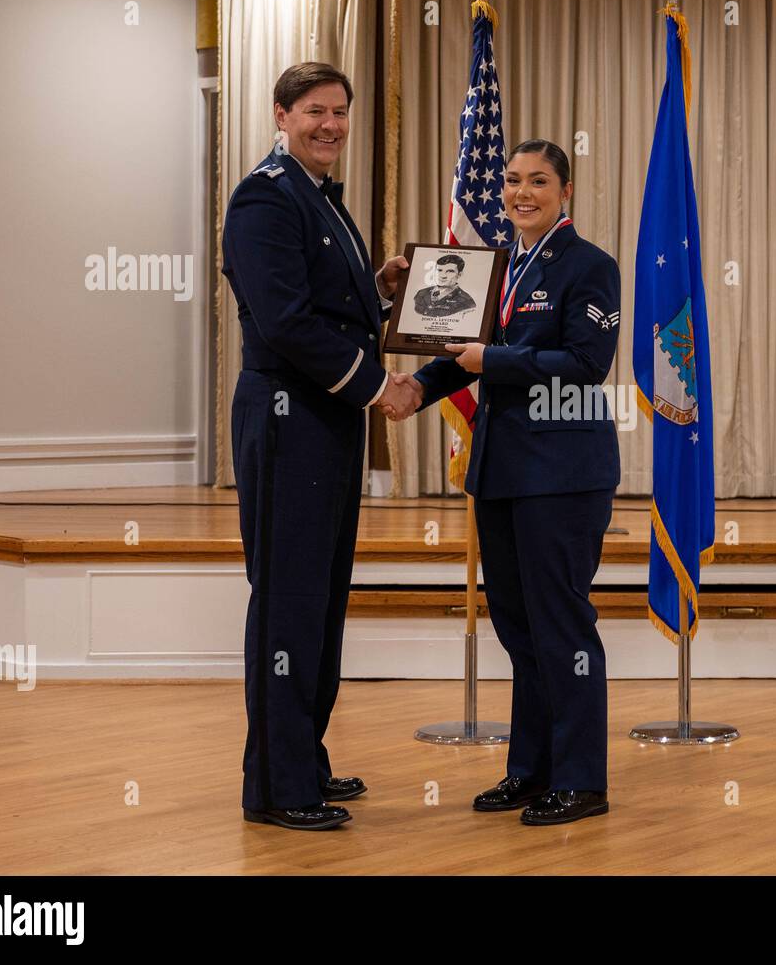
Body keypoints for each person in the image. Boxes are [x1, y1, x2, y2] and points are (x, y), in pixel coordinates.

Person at [388, 139, 621, 825]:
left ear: (565, 190)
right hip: (502, 471)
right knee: (520, 630)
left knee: (562, 627)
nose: (523, 192)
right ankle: (530, 769)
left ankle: (581, 780)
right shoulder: (496, 270)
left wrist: (492, 355)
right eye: (514, 180)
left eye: (539, 181)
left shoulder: (589, 266)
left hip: (563, 475)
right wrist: (412, 391)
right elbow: (462, 358)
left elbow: (586, 362)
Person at [222, 61, 419, 830]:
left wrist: (381, 286)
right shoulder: (266, 196)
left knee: (322, 603)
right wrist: (379, 388)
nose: (331, 123)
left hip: (321, 420)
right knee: (288, 606)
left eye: (340, 110)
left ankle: (304, 756)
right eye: (314, 111)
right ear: (281, 114)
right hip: (285, 418)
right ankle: (276, 785)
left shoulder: (318, 197)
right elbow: (285, 324)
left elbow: (326, 307)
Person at [413, 254, 477, 317]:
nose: (442, 276)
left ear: (459, 275)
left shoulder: (466, 301)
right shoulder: (421, 293)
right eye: (439, 270)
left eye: (450, 271)